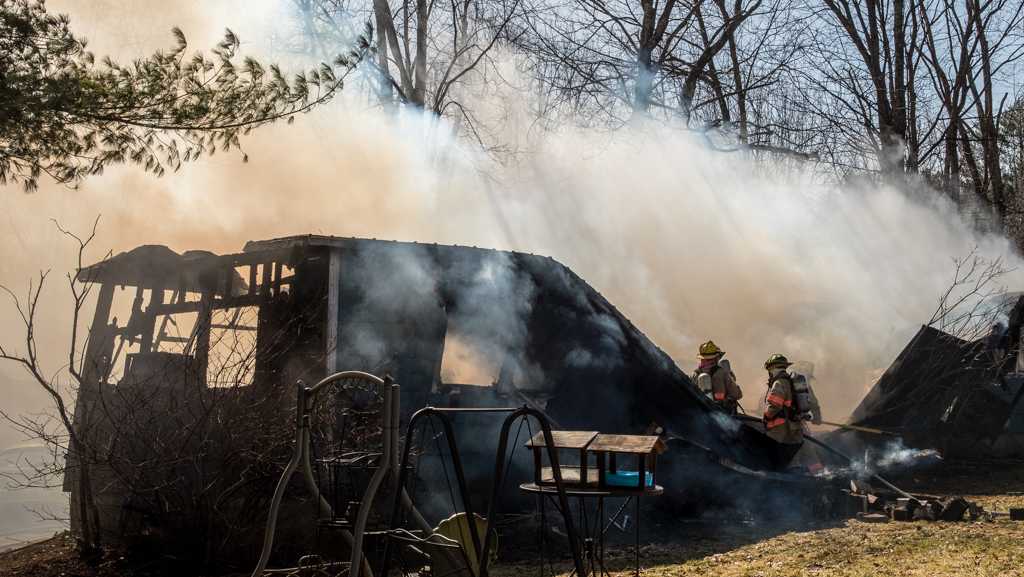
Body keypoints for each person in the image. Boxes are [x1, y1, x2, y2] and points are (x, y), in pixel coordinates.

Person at [762, 353, 804, 469]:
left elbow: (774, 405)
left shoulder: (779, 382)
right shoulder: (790, 381)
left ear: (772, 368)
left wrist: (766, 417)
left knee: (774, 457)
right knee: (792, 458)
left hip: (780, 428)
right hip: (794, 425)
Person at [693, 340, 743, 414]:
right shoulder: (721, 373)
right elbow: (737, 394)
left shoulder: (696, 373)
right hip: (722, 415)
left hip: (702, 412)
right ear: (715, 359)